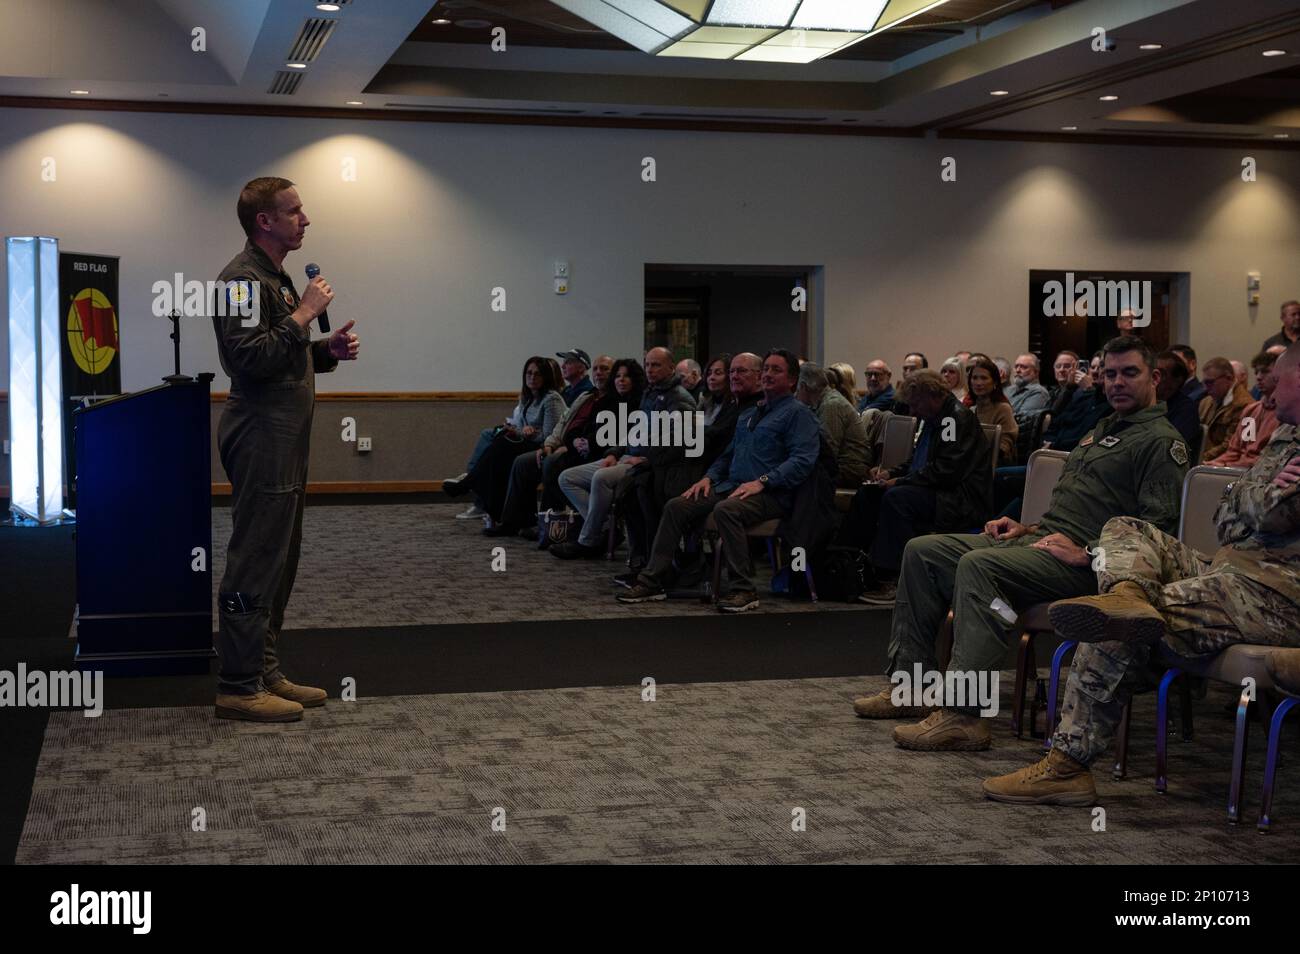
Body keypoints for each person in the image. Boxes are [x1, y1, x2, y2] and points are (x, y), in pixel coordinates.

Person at [984, 341, 1300, 805]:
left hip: (1278, 592)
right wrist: (1256, 494)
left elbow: (1270, 514)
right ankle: (1125, 592)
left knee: (1118, 624)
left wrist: (1251, 497)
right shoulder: (1289, 436)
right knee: (1125, 528)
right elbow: (1227, 514)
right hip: (1231, 566)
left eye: (1279, 374)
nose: (1268, 384)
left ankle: (1068, 765)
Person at [853, 337, 1189, 752]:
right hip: (1043, 545)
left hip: (1093, 571)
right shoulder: (1104, 428)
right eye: (1111, 374)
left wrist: (1088, 554)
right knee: (923, 551)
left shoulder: (1160, 442)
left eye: (1130, 373)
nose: (1117, 382)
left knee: (979, 567)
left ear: (1154, 377)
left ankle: (965, 714)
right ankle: (915, 686)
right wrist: (1026, 526)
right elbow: (1072, 512)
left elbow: (1159, 534)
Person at [211, 176, 360, 722]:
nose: (307, 219)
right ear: (264, 222)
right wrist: (303, 314)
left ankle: (263, 668)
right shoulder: (242, 282)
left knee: (281, 556)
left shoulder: (276, 277)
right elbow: (247, 359)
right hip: (259, 433)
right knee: (255, 557)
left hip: (285, 434)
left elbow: (281, 355)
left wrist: (325, 350)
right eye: (295, 211)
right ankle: (238, 683)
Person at [616, 349, 821, 613]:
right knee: (678, 505)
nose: (768, 374)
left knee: (726, 510)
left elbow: (803, 460)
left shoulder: (798, 414)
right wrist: (708, 478)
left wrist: (763, 481)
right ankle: (653, 580)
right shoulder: (750, 414)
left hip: (772, 494)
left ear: (792, 380)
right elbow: (727, 456)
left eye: (776, 370)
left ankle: (743, 589)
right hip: (732, 487)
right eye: (766, 369)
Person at [847, 370, 993, 606]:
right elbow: (919, 461)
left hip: (959, 499)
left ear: (933, 396)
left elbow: (947, 470)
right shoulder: (936, 419)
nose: (913, 410)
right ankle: (852, 563)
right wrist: (891, 473)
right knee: (869, 493)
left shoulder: (952, 420)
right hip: (938, 490)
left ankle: (894, 578)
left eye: (916, 403)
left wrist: (900, 481)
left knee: (897, 498)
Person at [616, 353, 763, 586]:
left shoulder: (744, 408)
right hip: (702, 467)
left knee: (653, 484)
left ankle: (677, 563)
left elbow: (710, 440)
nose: (716, 377)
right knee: (637, 484)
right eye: (712, 372)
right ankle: (649, 562)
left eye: (722, 372)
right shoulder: (710, 402)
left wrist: (653, 455)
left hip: (716, 472)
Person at [553, 347, 693, 559]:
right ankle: (606, 527)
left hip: (650, 464)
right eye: (647, 364)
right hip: (629, 456)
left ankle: (588, 541)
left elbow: (676, 443)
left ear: (672, 368)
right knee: (567, 477)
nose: (650, 369)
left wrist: (646, 459)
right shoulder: (651, 393)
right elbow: (633, 432)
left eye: (656, 365)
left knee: (600, 477)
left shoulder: (679, 399)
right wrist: (613, 453)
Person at [493, 354, 617, 538]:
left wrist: (567, 446)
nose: (599, 373)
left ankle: (550, 524)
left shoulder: (616, 400)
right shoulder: (587, 396)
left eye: (605, 369)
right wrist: (550, 444)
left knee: (551, 462)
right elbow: (563, 423)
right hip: (566, 445)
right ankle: (515, 521)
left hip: (590, 453)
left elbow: (605, 435)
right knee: (522, 463)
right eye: (596, 369)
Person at [444, 358, 565, 522]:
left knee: (501, 445)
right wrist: (520, 431)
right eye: (529, 373)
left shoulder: (552, 399)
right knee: (499, 440)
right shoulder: (527, 398)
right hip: (525, 443)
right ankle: (493, 507)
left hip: (542, 448)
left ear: (546, 377)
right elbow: (521, 428)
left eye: (538, 374)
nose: (532, 377)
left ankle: (470, 481)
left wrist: (528, 433)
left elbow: (550, 436)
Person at [1206, 351, 1281, 469]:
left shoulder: (1285, 414)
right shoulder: (1251, 411)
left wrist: (1226, 465)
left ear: (1280, 374)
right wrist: (1213, 464)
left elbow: (1269, 458)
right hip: (1239, 471)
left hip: (1261, 473)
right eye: (1256, 372)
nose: (1259, 377)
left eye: (1265, 371)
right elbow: (1235, 451)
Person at [797, 363, 868, 487]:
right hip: (843, 467)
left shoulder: (831, 405)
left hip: (849, 471)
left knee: (794, 478)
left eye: (796, 390)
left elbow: (828, 451)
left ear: (803, 387)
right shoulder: (825, 401)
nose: (795, 395)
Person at [965, 356, 1017, 464]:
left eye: (984, 378)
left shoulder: (1003, 408)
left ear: (995, 383)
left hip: (995, 465)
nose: (978, 383)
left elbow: (1005, 445)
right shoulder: (971, 410)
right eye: (974, 378)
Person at [1198, 356, 1252, 462]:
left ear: (1229, 378)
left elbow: (1232, 445)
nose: (1206, 388)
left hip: (1221, 464)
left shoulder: (1246, 406)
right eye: (1204, 383)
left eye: (1210, 382)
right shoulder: (1206, 402)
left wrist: (1200, 458)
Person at [1155, 349, 1201, 449]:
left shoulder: (1186, 409)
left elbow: (1172, 446)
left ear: (1177, 380)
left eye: (1161, 373)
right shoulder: (1145, 403)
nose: (1154, 377)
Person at [1007, 353, 1050, 427]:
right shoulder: (1009, 389)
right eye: (1016, 366)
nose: (1018, 370)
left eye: (1023, 367)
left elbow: (1021, 421)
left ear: (1036, 372)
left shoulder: (1039, 392)